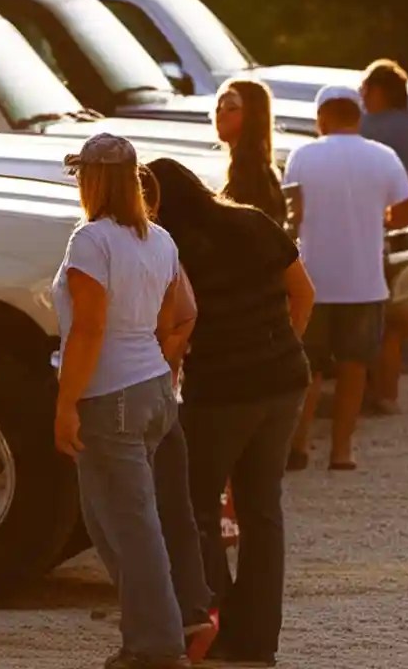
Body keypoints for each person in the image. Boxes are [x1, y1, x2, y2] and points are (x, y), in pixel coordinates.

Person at [147, 156, 315, 668]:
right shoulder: (254, 222)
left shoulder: (172, 248)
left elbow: (172, 326)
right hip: (284, 380)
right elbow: (303, 292)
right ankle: (258, 638)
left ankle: (212, 622)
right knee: (263, 509)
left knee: (196, 503)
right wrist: (282, 346)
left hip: (221, 390)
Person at [52, 133, 189, 669]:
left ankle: (157, 644)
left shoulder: (90, 240)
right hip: (153, 386)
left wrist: (66, 404)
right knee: (112, 520)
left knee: (130, 526)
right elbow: (166, 318)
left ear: (92, 179)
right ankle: (151, 629)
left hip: (111, 395)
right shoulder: (159, 240)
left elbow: (88, 329)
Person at [285, 86, 408, 471]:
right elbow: (405, 208)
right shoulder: (383, 157)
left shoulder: (302, 156)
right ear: (357, 116)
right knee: (354, 369)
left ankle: (300, 443)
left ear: (321, 117)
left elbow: (295, 212)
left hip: (314, 280)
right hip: (364, 281)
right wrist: (381, 219)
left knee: (310, 367)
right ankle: (342, 451)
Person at [139, 166, 218, 663]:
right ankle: (193, 605)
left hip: (126, 389)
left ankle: (155, 622)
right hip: (166, 388)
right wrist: (167, 359)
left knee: (131, 514)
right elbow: (187, 311)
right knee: (176, 506)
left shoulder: (104, 243)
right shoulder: (162, 243)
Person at [360, 58, 408, 407]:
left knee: (387, 305)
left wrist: (402, 225)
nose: (362, 95)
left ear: (378, 92)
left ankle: (386, 378)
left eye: (366, 88)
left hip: (394, 225)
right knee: (402, 299)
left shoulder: (377, 126)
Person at [212, 79, 287, 226]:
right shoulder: (247, 169)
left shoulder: (252, 176)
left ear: (253, 116)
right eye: (218, 108)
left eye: (231, 108)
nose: (220, 115)